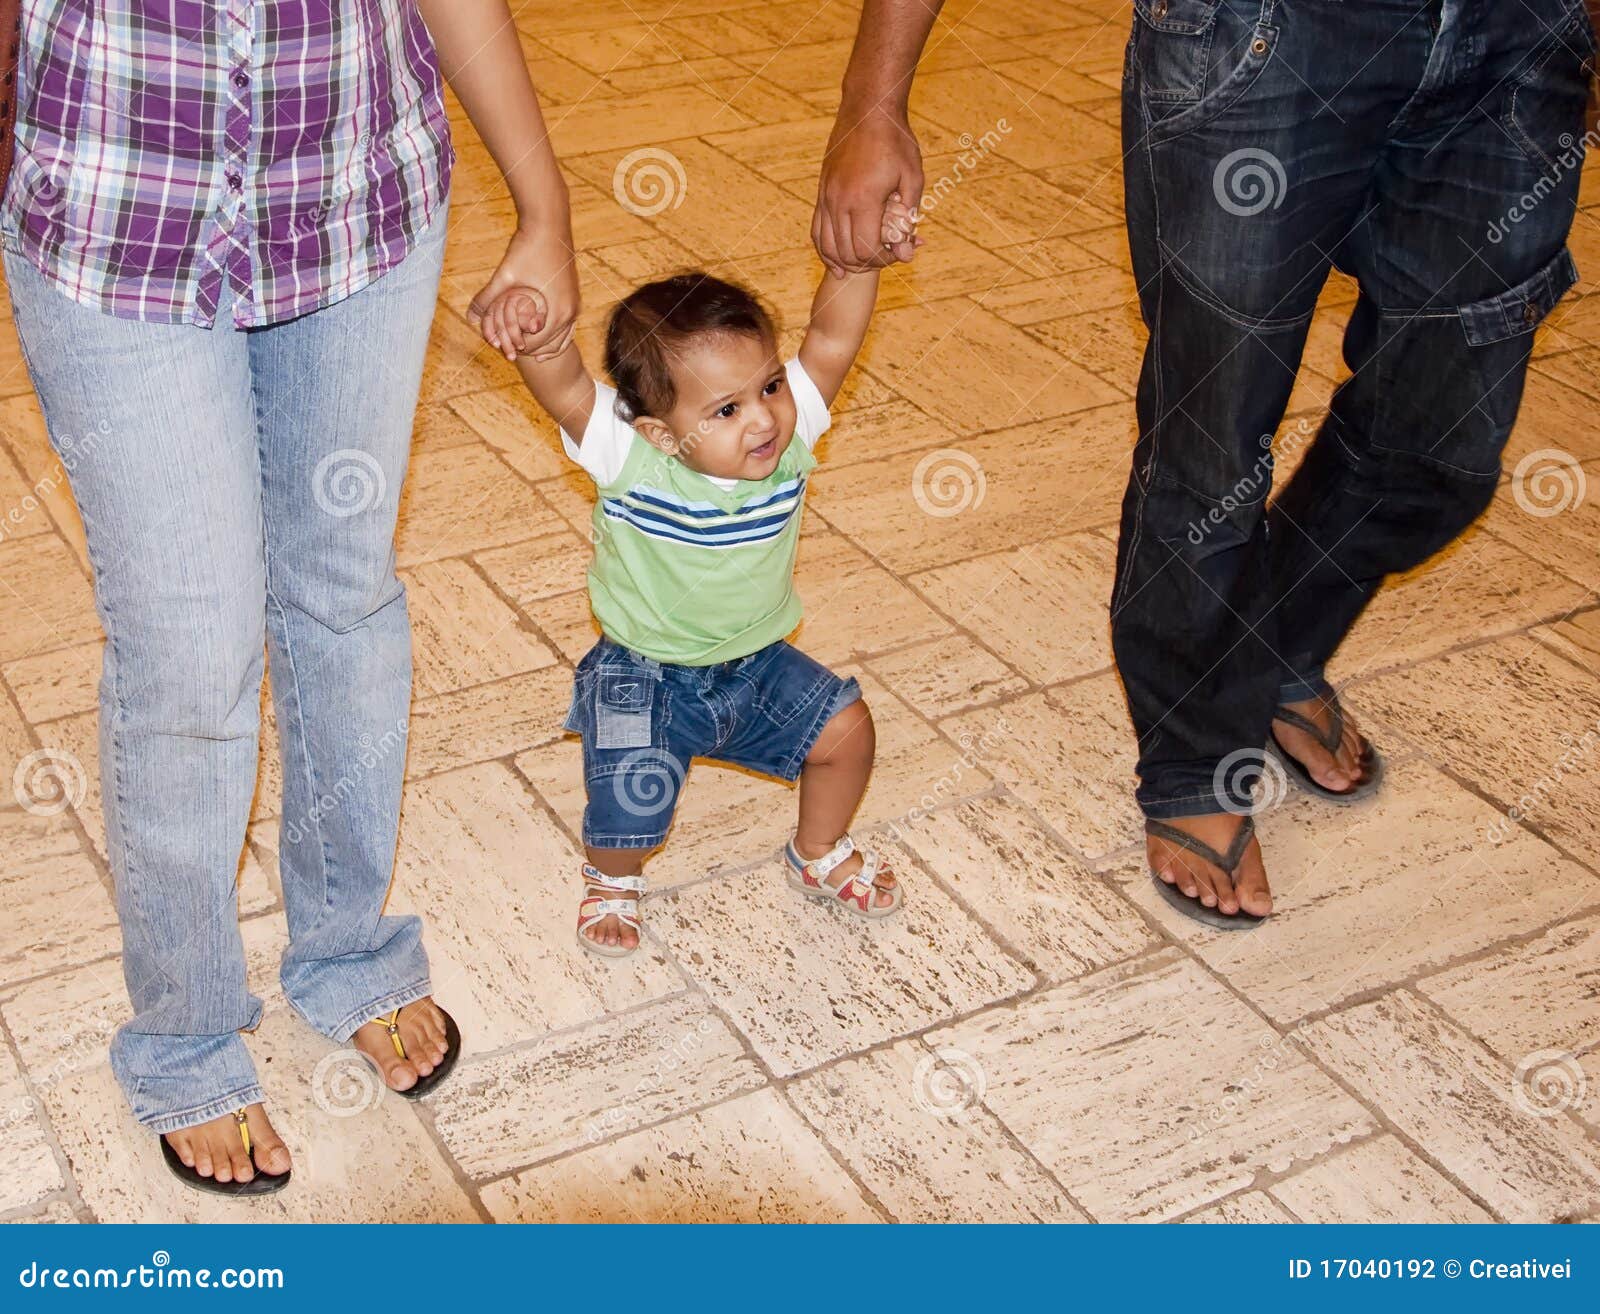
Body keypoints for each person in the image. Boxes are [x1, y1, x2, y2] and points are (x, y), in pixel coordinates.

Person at [815, 0, 1594, 928]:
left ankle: (1269, 649)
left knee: (1444, 440)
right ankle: (1194, 745)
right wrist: (874, 103)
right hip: (1260, 35)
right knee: (1212, 431)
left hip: (1520, 39)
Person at [1, 0, 578, 1194]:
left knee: (343, 593)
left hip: (357, 199)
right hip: (111, 206)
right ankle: (189, 1030)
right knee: (189, 647)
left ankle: (349, 948)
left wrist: (545, 201)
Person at [476, 200, 922, 955]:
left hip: (756, 662)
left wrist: (856, 265)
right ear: (657, 430)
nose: (763, 420)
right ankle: (611, 877)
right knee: (631, 808)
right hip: (641, 672)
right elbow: (563, 385)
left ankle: (816, 851)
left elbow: (834, 335)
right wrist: (535, 330)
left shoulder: (789, 437)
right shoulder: (628, 455)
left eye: (769, 387)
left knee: (848, 732)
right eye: (724, 409)